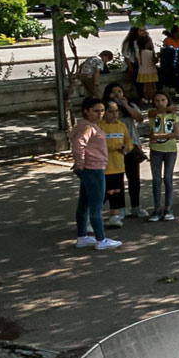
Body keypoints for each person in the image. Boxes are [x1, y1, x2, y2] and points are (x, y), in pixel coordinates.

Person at [71, 97, 119, 249]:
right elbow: (79, 145)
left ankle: (82, 236)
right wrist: (79, 164)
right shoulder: (88, 127)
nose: (100, 114)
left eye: (102, 111)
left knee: (84, 204)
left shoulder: (85, 125)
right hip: (93, 168)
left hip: (90, 168)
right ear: (86, 111)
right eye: (96, 111)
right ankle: (101, 240)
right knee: (96, 206)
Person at [102, 84, 148, 219]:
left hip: (132, 146)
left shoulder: (130, 106)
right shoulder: (105, 109)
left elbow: (139, 118)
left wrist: (126, 106)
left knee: (134, 178)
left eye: (120, 91)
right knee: (117, 181)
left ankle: (136, 206)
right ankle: (119, 208)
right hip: (114, 150)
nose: (117, 94)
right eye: (113, 92)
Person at [147, 90, 179, 220]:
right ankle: (156, 208)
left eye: (163, 100)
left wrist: (159, 135)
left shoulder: (173, 116)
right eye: (157, 100)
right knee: (156, 179)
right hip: (156, 149)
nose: (160, 103)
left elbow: (177, 134)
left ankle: (168, 208)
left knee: (168, 178)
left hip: (170, 150)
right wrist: (166, 109)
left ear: (168, 100)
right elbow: (154, 112)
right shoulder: (152, 113)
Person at [100, 98, 131, 230]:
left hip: (119, 165)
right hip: (105, 166)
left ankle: (115, 216)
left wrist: (127, 147)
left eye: (116, 111)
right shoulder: (100, 126)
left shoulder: (121, 125)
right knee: (105, 192)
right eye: (111, 111)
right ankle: (92, 215)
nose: (114, 114)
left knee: (117, 192)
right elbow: (100, 145)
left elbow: (128, 140)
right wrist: (115, 146)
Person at [133, 32, 158, 104]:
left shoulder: (138, 53)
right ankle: (153, 98)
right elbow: (154, 61)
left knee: (145, 86)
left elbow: (136, 62)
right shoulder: (150, 52)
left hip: (142, 71)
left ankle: (146, 98)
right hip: (151, 71)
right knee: (152, 86)